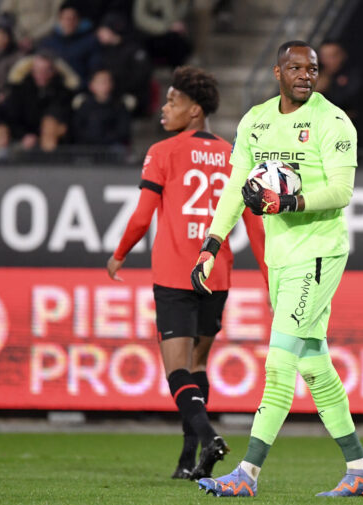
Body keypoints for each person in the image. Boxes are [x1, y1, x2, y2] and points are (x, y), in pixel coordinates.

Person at [191, 41, 363, 498]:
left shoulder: (333, 122)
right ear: (278, 71)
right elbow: (236, 187)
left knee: (279, 363)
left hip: (317, 253)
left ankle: (247, 474)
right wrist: (211, 244)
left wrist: (287, 201)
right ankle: (360, 469)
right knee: (314, 365)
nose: (305, 75)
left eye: (312, 69)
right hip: (281, 257)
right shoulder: (255, 121)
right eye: (295, 68)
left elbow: (341, 190)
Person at [106, 65, 267, 480]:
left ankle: (209, 438)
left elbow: (142, 217)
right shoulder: (236, 154)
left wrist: (119, 253)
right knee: (198, 366)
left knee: (176, 371)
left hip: (177, 273)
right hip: (218, 275)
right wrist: (272, 280)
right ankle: (187, 461)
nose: (164, 107)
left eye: (173, 101)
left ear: (195, 110)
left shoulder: (163, 152)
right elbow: (256, 227)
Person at [95, 12, 152, 116]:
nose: (98, 33)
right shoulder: (104, 51)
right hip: (111, 94)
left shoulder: (134, 49)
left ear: (112, 30)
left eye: (103, 30)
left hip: (132, 96)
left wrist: (119, 88)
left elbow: (142, 75)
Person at [37, 1, 101, 85]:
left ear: (79, 20)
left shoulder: (90, 43)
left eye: (73, 19)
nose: (69, 23)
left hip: (79, 88)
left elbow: (94, 70)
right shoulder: (47, 43)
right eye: (66, 18)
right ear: (60, 19)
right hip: (53, 89)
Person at [71, 68, 130, 148]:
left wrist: (105, 140)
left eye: (107, 81)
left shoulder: (119, 105)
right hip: (87, 147)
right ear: (91, 85)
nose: (105, 84)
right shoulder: (84, 105)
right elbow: (77, 129)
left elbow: (123, 131)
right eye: (101, 82)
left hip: (111, 147)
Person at [316, 40, 362, 122]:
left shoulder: (353, 77)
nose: (328, 61)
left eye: (333, 56)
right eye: (324, 56)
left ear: (343, 55)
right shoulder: (316, 74)